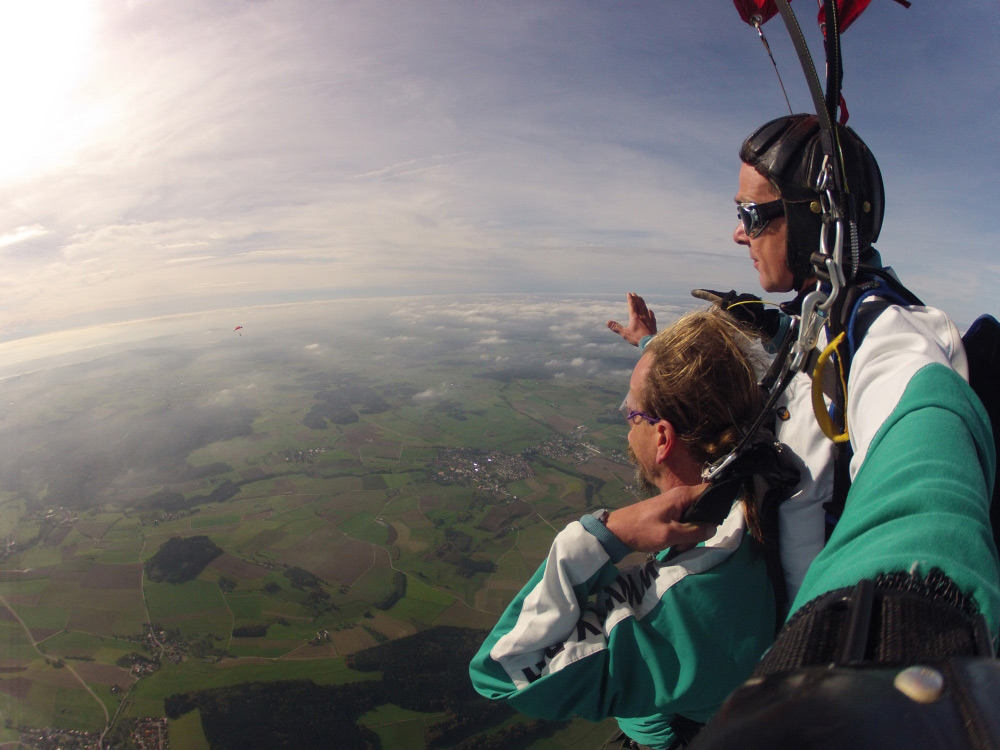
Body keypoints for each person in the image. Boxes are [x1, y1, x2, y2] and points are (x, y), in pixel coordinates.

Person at [611, 114, 1000, 746]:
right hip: (774, 657)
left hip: (821, 680)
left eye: (752, 213)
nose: (739, 232)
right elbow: (801, 357)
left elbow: (927, 448)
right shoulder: (828, 317)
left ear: (817, 218)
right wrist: (654, 345)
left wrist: (901, 624)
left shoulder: (890, 334)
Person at [469, 309, 787, 750]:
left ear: (663, 438)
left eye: (631, 413)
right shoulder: (755, 479)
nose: (626, 425)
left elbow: (503, 672)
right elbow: (712, 392)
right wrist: (651, 345)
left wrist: (602, 534)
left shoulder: (688, 597)